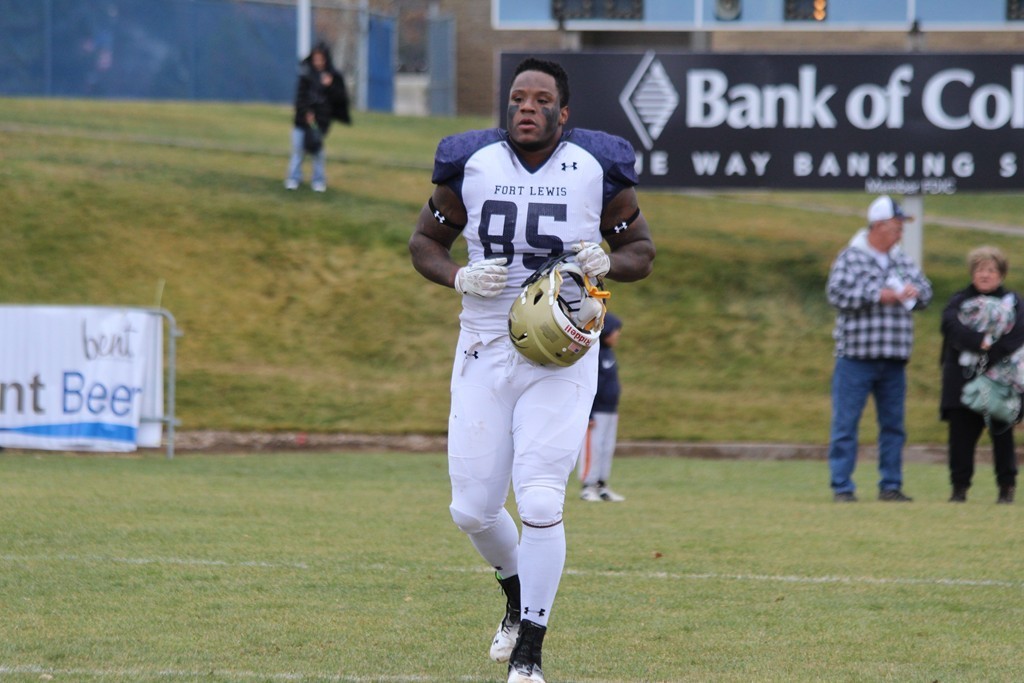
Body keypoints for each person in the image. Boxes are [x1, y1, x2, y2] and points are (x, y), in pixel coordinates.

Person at [408, 57, 655, 683]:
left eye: (541, 99)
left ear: (562, 113)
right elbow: (424, 244)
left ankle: (529, 656)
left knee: (542, 497)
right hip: (484, 343)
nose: (526, 106)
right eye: (517, 97)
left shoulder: (598, 167)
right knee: (472, 510)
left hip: (562, 347)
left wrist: (609, 261)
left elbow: (641, 251)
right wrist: (459, 275)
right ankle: (516, 596)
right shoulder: (470, 163)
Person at [825, 195, 933, 503]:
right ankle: (842, 486)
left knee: (893, 427)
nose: (901, 232)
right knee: (846, 424)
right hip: (856, 358)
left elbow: (926, 290)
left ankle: (891, 485)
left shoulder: (901, 258)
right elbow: (837, 295)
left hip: (894, 358)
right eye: (897, 226)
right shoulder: (852, 256)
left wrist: (915, 292)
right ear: (879, 226)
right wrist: (877, 295)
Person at [940, 246, 1022, 504]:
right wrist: (981, 342)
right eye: (979, 270)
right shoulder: (958, 301)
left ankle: (1006, 488)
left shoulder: (1014, 302)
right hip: (962, 380)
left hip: (1001, 382)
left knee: (1002, 435)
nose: (984, 275)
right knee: (961, 438)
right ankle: (959, 488)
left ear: (1001, 274)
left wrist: (992, 353)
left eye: (990, 270)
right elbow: (950, 326)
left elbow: (1017, 335)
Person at [284, 42, 350, 192]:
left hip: (319, 123)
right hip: (302, 122)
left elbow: (339, 99)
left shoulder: (332, 77)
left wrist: (330, 86)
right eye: (316, 59)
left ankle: (318, 180)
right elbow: (299, 98)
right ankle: (293, 178)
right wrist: (306, 113)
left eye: (321, 59)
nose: (318, 62)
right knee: (298, 150)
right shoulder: (305, 76)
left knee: (317, 152)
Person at [578, 312, 625, 502]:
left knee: (606, 448)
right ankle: (587, 486)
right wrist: (588, 413)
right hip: (596, 412)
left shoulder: (609, 354)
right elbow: (589, 384)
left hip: (610, 411)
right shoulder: (594, 353)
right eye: (615, 331)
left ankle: (601, 484)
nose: (617, 335)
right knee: (593, 448)